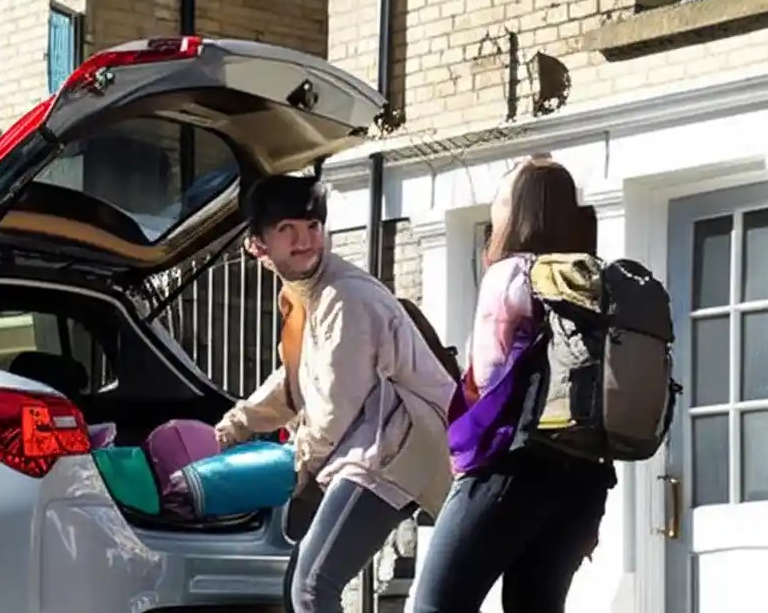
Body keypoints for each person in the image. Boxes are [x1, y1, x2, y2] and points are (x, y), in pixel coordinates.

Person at [214, 174, 456, 613]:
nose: (305, 240)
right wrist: (233, 428)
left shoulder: (343, 296)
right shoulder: (308, 294)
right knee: (297, 584)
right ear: (257, 244)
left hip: (394, 448)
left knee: (311, 587)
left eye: (312, 227)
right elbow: (293, 383)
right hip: (370, 444)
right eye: (287, 229)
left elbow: (331, 409)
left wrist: (296, 469)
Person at [412, 158, 616, 613]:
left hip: (510, 467)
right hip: (583, 479)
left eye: (500, 199)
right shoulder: (593, 279)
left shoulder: (511, 274)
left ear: (519, 210)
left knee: (435, 606)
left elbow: (488, 375)